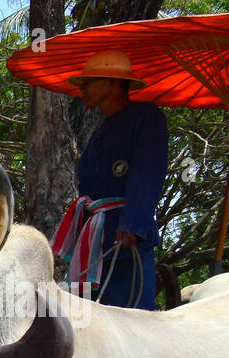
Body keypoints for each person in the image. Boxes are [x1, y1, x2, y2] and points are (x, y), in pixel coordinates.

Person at [51, 51, 168, 310]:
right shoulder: (100, 131)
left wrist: (134, 225)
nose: (83, 89)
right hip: (94, 241)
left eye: (89, 82)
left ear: (112, 83)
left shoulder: (146, 117)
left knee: (132, 318)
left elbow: (148, 173)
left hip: (125, 240)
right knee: (89, 319)